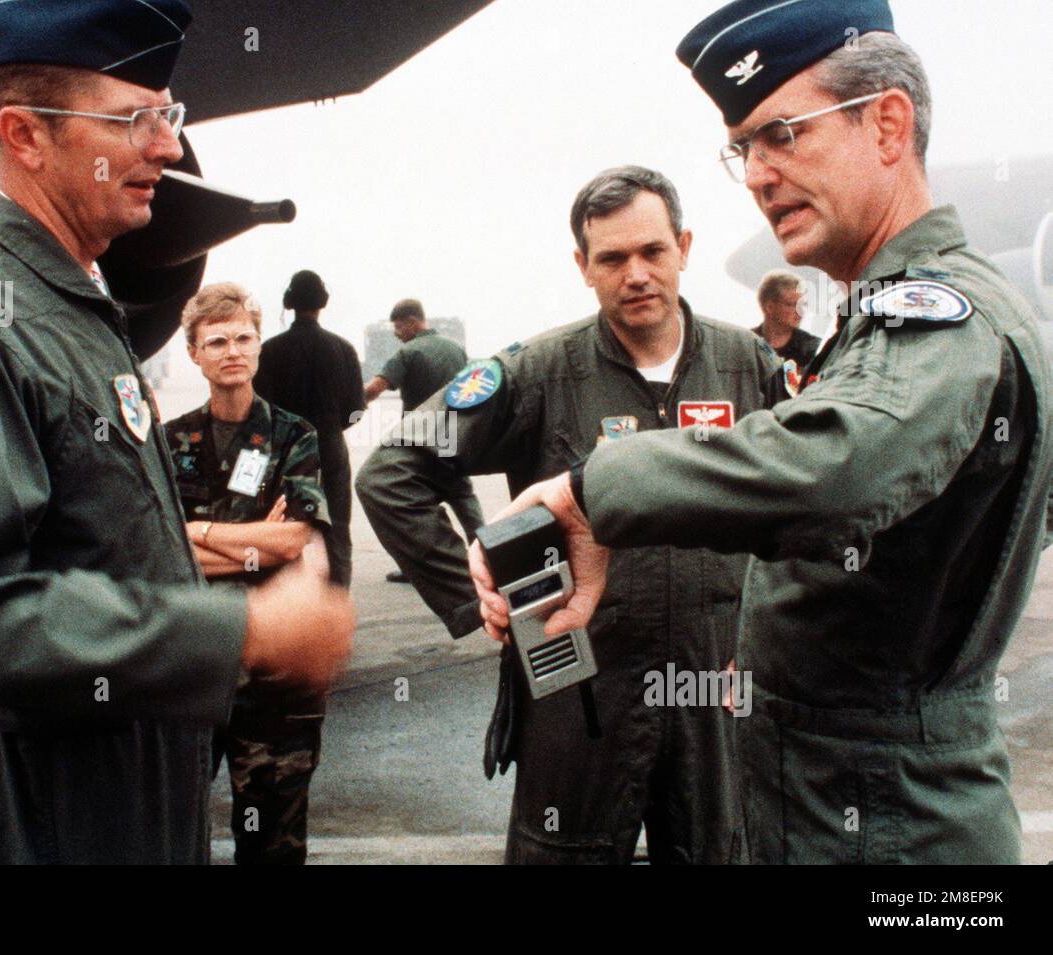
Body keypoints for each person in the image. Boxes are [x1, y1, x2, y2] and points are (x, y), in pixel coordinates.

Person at [470, 0, 1053, 865]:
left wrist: (591, 488)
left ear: (888, 123)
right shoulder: (893, 315)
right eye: (743, 145)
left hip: (887, 829)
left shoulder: (938, 315)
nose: (756, 172)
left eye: (784, 133)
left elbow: (834, 467)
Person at [0, 0, 352, 865]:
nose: (168, 146)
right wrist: (241, 632)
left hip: (140, 798)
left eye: (168, 115)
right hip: (50, 818)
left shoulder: (75, 307)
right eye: (135, 118)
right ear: (25, 135)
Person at [358, 166, 787, 864]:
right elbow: (391, 472)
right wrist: (476, 594)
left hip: (715, 685)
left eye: (652, 251)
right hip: (579, 683)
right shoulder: (537, 372)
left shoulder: (747, 366)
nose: (637, 273)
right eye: (612, 258)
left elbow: (796, 505)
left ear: (684, 245)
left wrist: (775, 633)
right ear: (583, 266)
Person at [164, 282, 332, 864]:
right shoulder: (168, 442)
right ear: (194, 353)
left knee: (273, 841)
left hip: (271, 662)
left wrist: (197, 532)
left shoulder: (294, 435)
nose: (232, 350)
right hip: (191, 656)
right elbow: (157, 551)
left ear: (259, 347)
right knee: (171, 827)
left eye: (244, 338)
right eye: (216, 341)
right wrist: (248, 539)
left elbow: (291, 541)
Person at [252, 269, 365, 587]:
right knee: (338, 530)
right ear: (322, 303)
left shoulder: (270, 351)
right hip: (330, 447)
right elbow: (357, 411)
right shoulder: (343, 349)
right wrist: (333, 428)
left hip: (285, 452)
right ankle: (337, 601)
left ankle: (295, 605)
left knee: (288, 528)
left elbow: (260, 409)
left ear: (289, 303)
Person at [361, 298, 483, 582]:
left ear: (412, 322)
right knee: (464, 499)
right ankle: (492, 558)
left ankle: (422, 567)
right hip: (454, 437)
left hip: (419, 442)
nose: (396, 333)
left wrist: (348, 407)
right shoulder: (456, 349)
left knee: (415, 505)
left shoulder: (408, 352)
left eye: (398, 326)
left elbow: (375, 389)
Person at [753, 269, 820, 366]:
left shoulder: (814, 348)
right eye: (792, 304)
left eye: (802, 305)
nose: (800, 311)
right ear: (770, 307)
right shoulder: (746, 344)